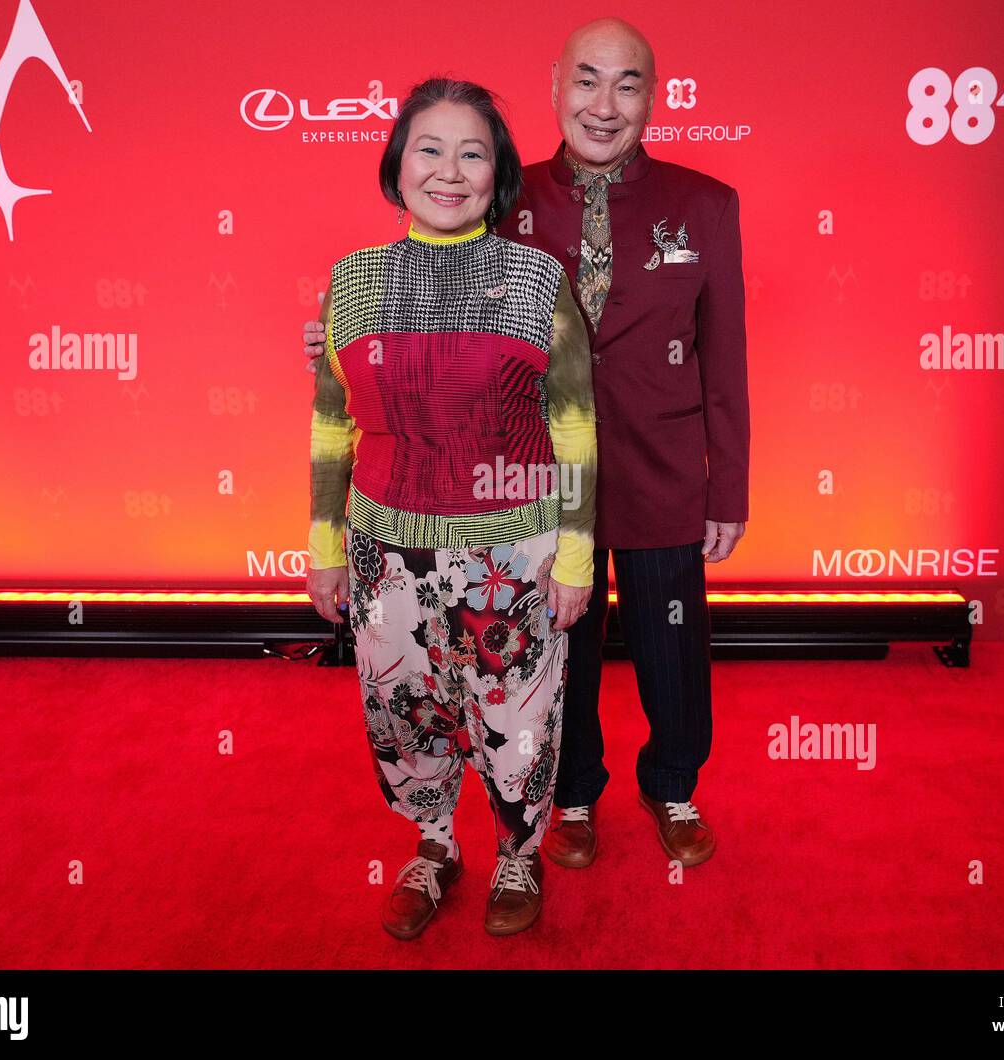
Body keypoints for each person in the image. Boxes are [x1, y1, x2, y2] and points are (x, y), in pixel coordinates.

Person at [307, 18, 748, 873]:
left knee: (672, 644)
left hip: (661, 470)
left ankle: (675, 785)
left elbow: (725, 355)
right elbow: (433, 297)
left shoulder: (706, 204)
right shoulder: (498, 196)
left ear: (653, 97)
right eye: (587, 81)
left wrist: (726, 487)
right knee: (559, 651)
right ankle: (573, 794)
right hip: (529, 480)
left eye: (628, 85)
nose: (605, 104)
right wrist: (336, 340)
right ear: (556, 86)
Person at [306, 77, 598, 939]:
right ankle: (435, 846)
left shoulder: (538, 277)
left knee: (516, 724)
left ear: (498, 175)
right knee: (406, 716)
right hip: (383, 553)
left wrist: (575, 556)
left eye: (473, 153)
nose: (449, 170)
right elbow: (331, 425)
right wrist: (325, 546)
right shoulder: (351, 281)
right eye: (429, 149)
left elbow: (575, 427)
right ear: (398, 166)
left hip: (512, 556)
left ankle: (518, 848)